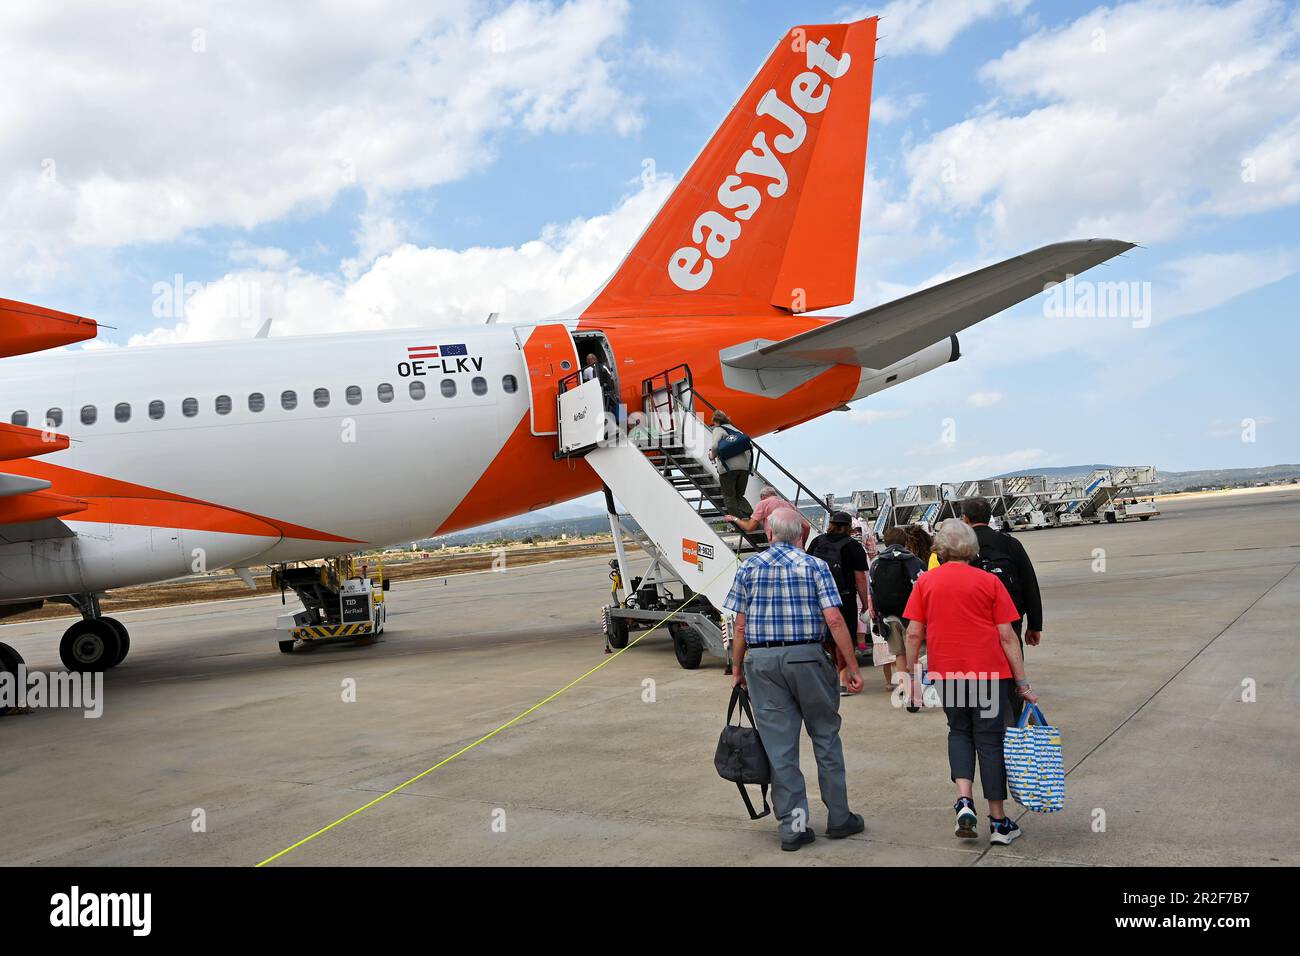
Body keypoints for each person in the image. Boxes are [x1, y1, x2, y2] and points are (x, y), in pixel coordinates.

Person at [725, 508, 865, 852]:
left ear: (769, 534)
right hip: (807, 658)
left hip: (762, 661)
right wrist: (852, 665)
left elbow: (740, 625)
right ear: (799, 535)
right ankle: (839, 817)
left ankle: (794, 826)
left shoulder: (749, 568)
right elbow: (833, 619)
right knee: (826, 738)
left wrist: (737, 667)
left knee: (780, 747)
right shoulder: (814, 565)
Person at [902, 519, 1038, 846]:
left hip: (948, 674)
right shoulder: (989, 582)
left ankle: (964, 800)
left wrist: (909, 677)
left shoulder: (926, 583)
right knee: (990, 742)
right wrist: (1021, 683)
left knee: (959, 732)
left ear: (942, 547)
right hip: (988, 676)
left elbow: (913, 633)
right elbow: (1007, 636)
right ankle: (999, 820)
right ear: (971, 546)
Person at [961, 497, 1044, 719]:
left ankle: (985, 719)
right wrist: (1035, 624)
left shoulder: (961, 548)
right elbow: (1029, 583)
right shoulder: (1010, 543)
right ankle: (1013, 723)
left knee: (978, 676)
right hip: (1011, 620)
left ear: (965, 519)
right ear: (989, 517)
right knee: (1012, 670)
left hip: (973, 623)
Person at [807, 511, 872, 696]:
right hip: (845, 598)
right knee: (844, 637)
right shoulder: (853, 546)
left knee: (825, 638)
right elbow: (860, 579)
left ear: (831, 524)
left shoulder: (817, 542)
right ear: (849, 527)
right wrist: (865, 603)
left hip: (818, 597)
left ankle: (831, 675)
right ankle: (843, 680)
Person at [869, 527, 926, 701]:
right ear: (905, 542)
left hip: (887, 616)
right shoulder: (913, 561)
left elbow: (872, 590)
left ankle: (905, 689)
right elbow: (923, 586)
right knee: (915, 653)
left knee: (899, 654)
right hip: (911, 615)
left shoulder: (876, 562)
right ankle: (918, 692)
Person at [726, 485, 810, 546]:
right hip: (797, 548)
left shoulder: (763, 503)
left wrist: (734, 518)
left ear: (762, 497)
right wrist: (803, 544)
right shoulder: (789, 504)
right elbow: (806, 526)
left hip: (778, 548)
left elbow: (749, 527)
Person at [708, 410, 754, 520]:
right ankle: (751, 516)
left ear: (716, 421)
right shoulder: (736, 430)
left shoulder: (718, 429)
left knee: (729, 496)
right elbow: (749, 446)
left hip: (728, 469)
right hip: (743, 468)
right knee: (739, 495)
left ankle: (739, 520)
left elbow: (715, 446)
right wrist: (749, 468)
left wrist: (711, 456)